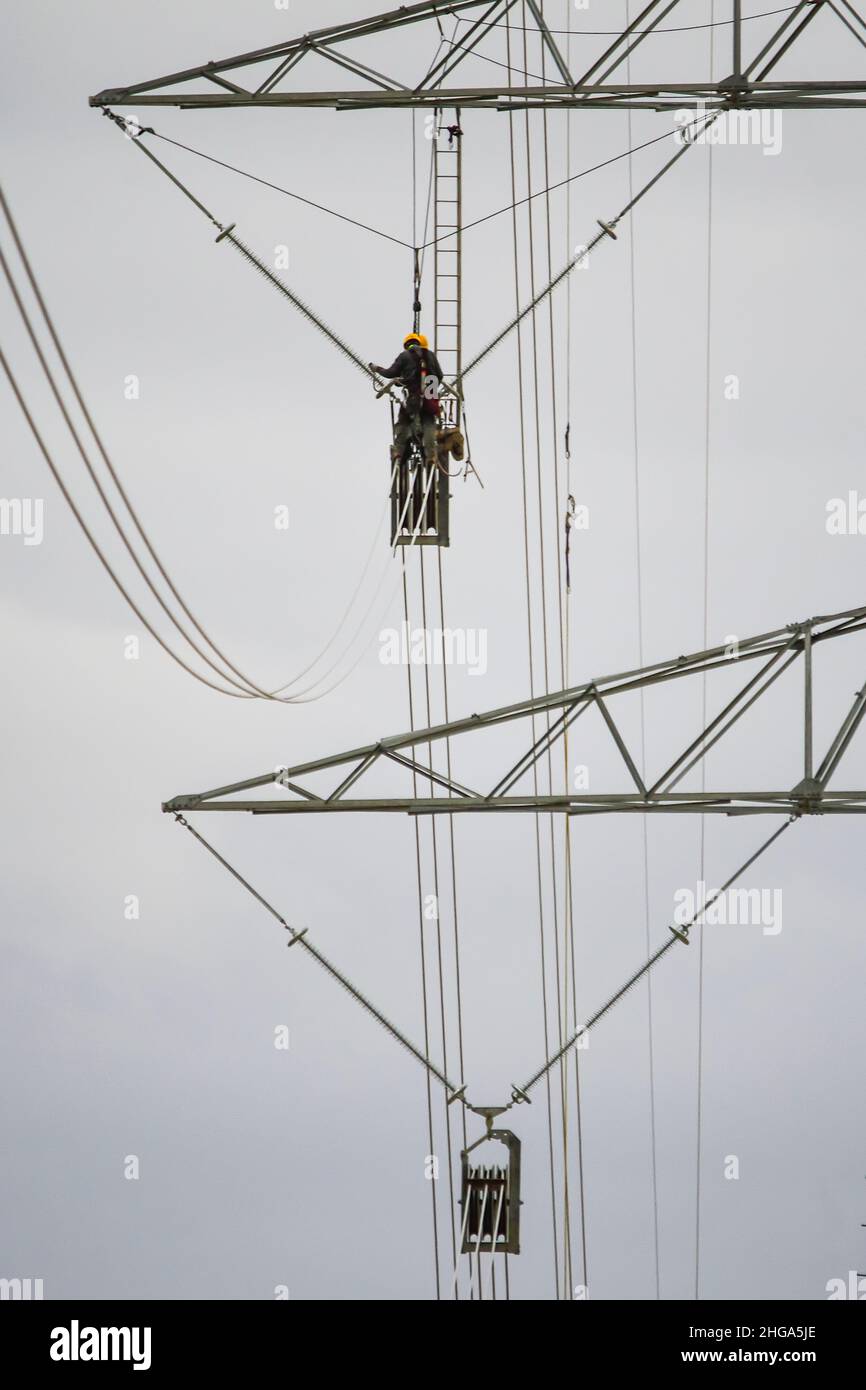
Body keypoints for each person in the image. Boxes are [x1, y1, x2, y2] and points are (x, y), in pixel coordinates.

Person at [369, 333, 444, 469]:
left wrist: (377, 369)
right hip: (431, 398)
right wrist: (431, 389)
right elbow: (439, 375)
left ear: (406, 345)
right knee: (429, 423)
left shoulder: (405, 356)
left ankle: (399, 452)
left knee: (403, 422)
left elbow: (391, 373)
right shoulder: (431, 355)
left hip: (414, 397)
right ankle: (431, 456)